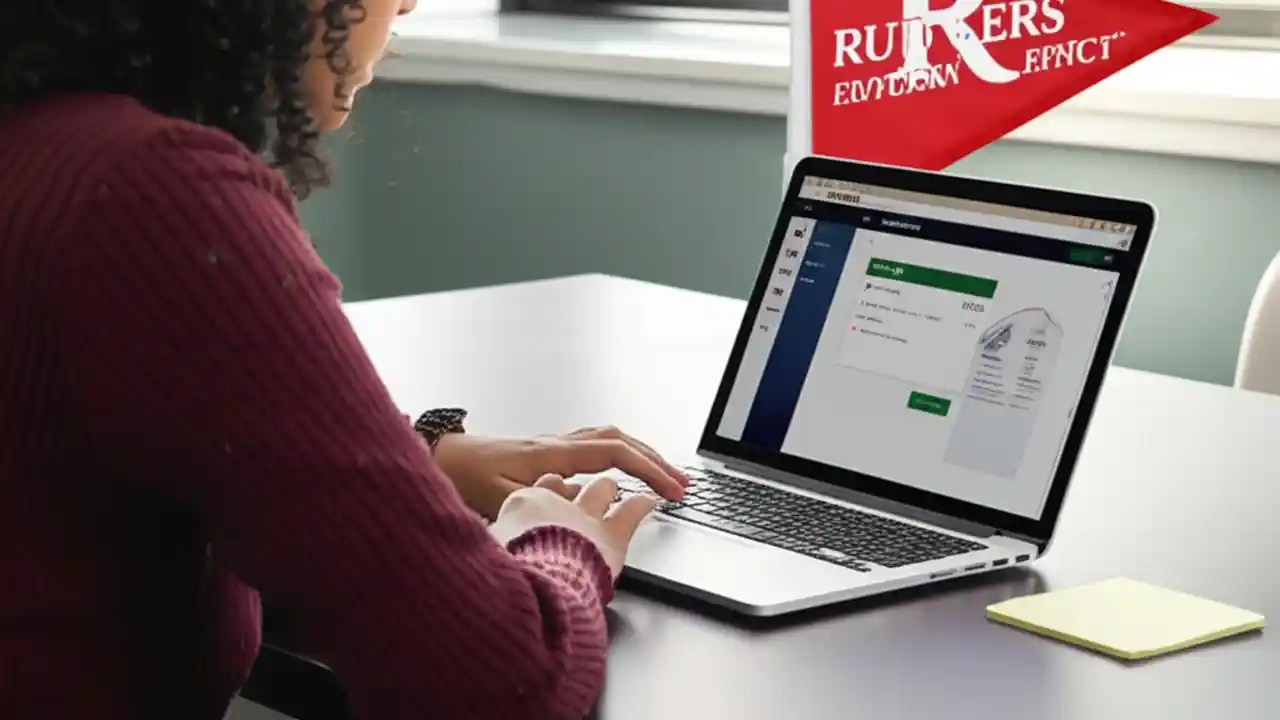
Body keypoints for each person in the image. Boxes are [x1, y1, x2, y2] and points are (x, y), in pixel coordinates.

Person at [0, 1, 690, 718]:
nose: (410, 3)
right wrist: (562, 540)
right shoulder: (149, 196)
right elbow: (496, 681)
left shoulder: (44, 151)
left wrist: (417, 457)